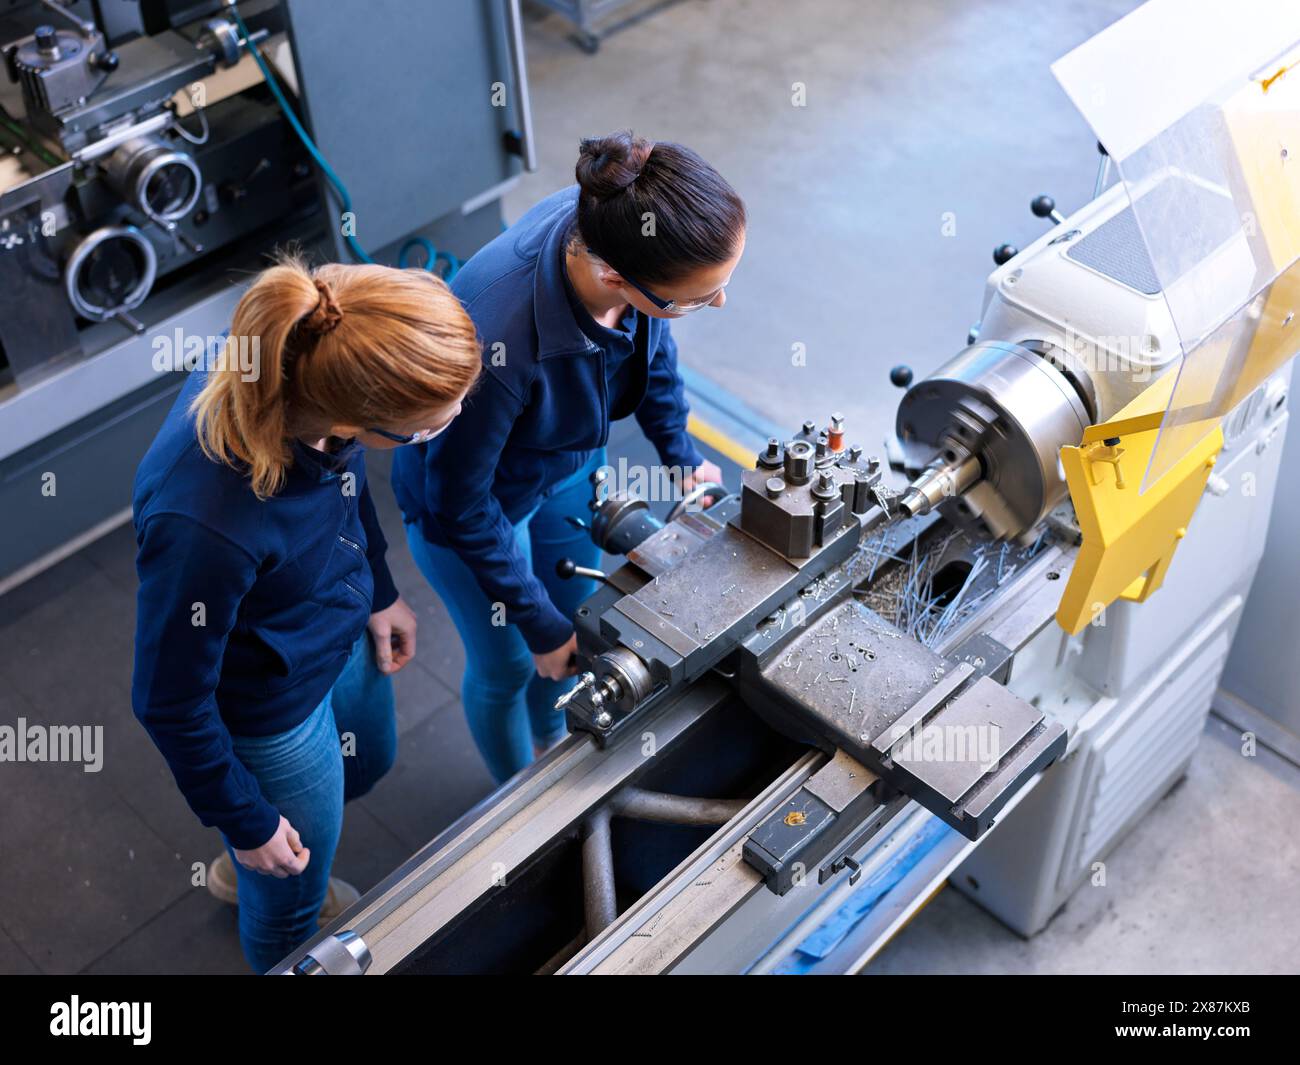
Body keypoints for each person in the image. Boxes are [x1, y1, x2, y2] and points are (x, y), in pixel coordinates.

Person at [131, 258, 480, 972]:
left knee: (369, 759)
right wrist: (247, 819)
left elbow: (344, 493)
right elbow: (167, 700)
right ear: (354, 418)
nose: (454, 425)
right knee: (290, 891)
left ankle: (260, 855)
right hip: (268, 703)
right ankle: (273, 902)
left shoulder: (304, 370)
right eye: (426, 428)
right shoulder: (205, 524)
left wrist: (378, 588)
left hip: (334, 629)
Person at [392, 130, 746, 782]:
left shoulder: (621, 223)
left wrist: (682, 456)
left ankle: (553, 734)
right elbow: (460, 501)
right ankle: (514, 792)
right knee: (510, 661)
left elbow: (654, 353)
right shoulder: (496, 338)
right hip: (472, 505)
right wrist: (534, 622)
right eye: (699, 297)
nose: (718, 302)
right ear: (614, 276)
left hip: (562, 457)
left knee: (577, 619)